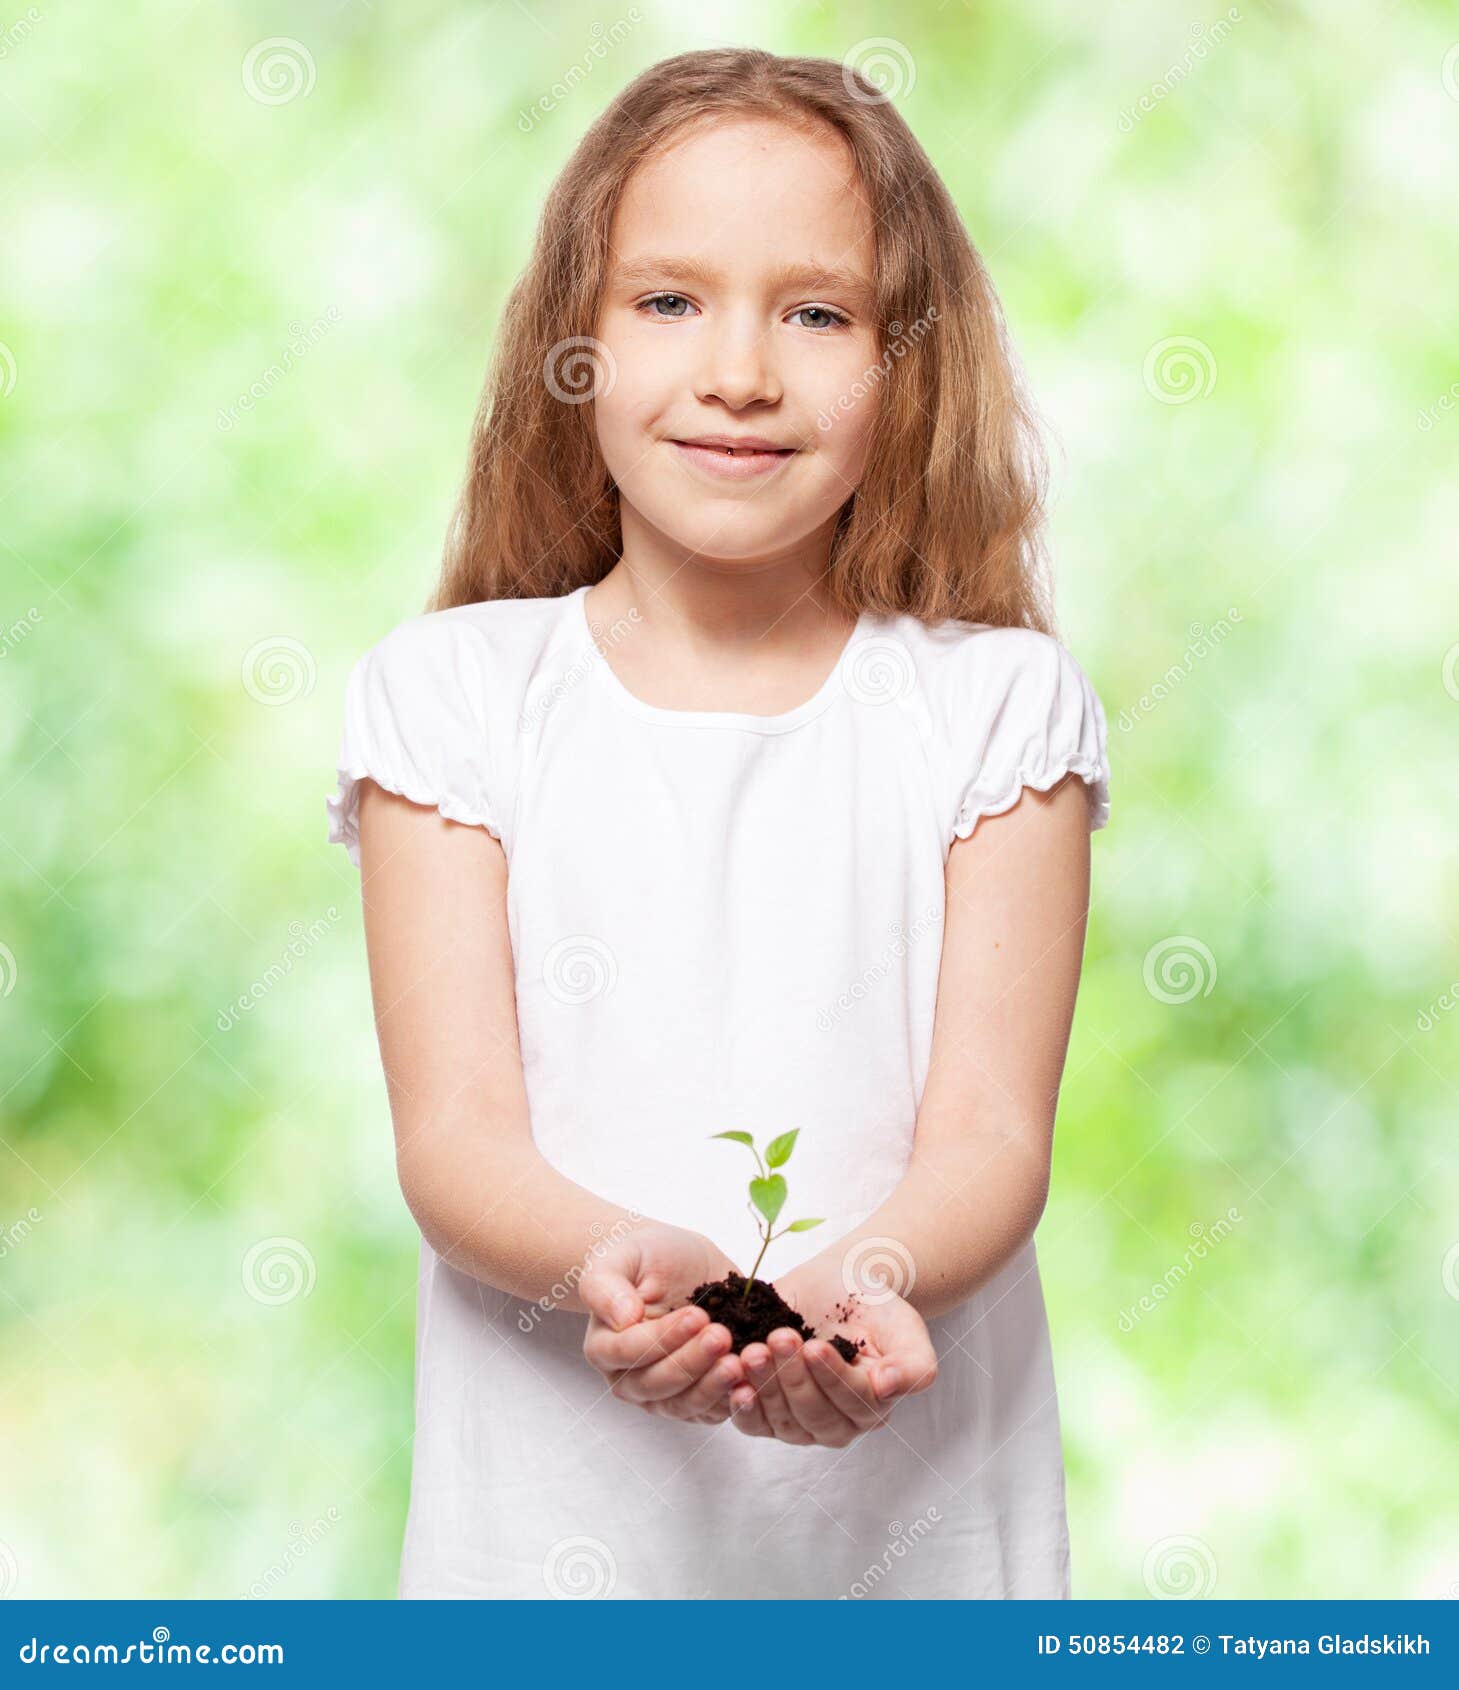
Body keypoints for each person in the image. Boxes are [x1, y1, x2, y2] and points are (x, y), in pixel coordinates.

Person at [326, 46, 1110, 1600]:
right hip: (546, 1561)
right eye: (668, 302)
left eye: (815, 313)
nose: (740, 369)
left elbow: (991, 1136)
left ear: (906, 361)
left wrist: (852, 1287)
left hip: (922, 1550)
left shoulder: (998, 712)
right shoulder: (453, 699)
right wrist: (606, 1260)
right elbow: (456, 1133)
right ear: (578, 345)